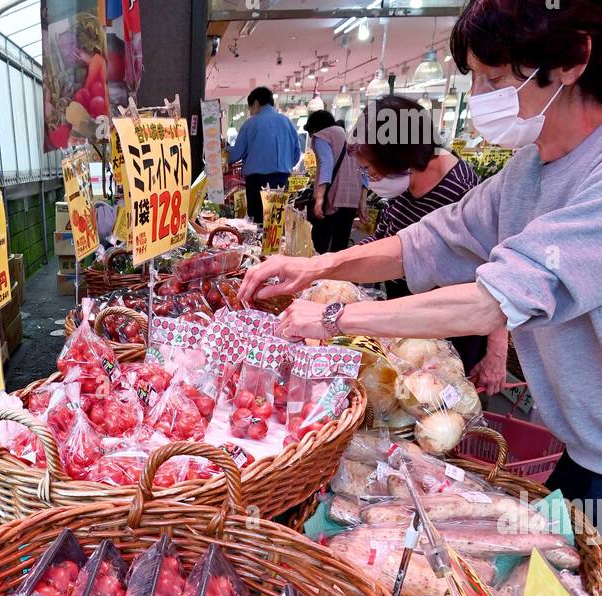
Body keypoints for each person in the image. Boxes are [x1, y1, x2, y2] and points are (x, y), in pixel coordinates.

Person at [240, 0, 602, 508]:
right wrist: (314, 267)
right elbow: (428, 241)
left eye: (495, 79)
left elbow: (493, 299)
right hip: (579, 445)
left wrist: (335, 315)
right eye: (473, 78)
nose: (479, 98)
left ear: (572, 61)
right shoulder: (527, 172)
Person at [350, 93, 509, 391]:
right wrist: (338, 264)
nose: (370, 180)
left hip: (451, 326)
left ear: (401, 158)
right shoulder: (403, 184)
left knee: (435, 406)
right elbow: (388, 238)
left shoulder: (462, 194)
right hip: (408, 317)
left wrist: (496, 353)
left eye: (372, 170)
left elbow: (497, 275)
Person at [229, 86, 301, 223]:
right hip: (281, 180)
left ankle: (257, 244)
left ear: (256, 104)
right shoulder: (287, 123)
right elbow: (296, 154)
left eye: (250, 109)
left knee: (257, 222)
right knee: (274, 223)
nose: (251, 113)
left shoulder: (251, 124)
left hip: (257, 182)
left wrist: (225, 152)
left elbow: (235, 155)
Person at [305, 110, 368, 254]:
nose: (311, 137)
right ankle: (335, 276)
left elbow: (326, 163)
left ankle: (317, 276)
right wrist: (362, 200)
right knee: (339, 249)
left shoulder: (323, 136)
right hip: (351, 200)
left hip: (333, 199)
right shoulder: (350, 136)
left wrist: (320, 198)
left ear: (315, 128)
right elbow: (364, 168)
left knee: (319, 248)